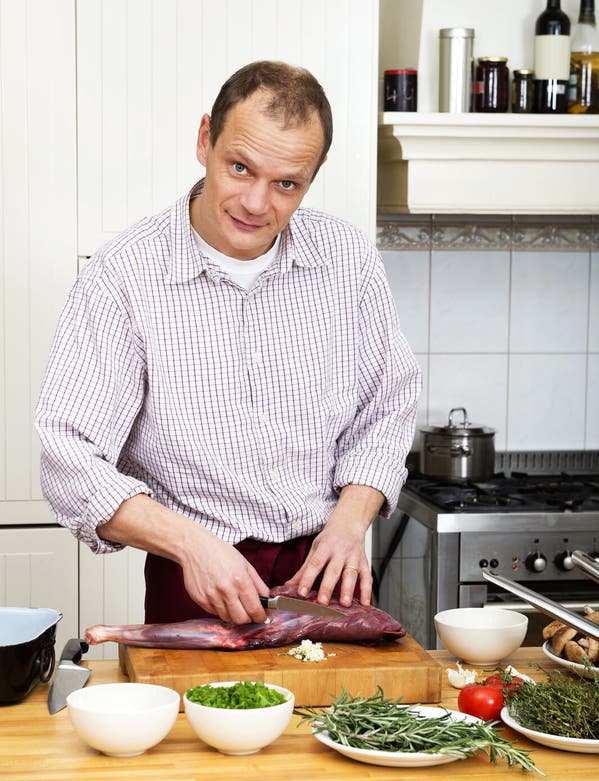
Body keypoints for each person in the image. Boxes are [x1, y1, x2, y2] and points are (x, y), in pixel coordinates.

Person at [35, 60, 421, 627]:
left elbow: (387, 406)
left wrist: (349, 523)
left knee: (337, 719)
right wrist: (191, 544)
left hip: (327, 572)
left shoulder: (348, 259)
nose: (257, 204)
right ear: (204, 140)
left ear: (313, 175)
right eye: (240, 168)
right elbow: (69, 456)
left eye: (287, 183)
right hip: (196, 580)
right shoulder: (123, 276)